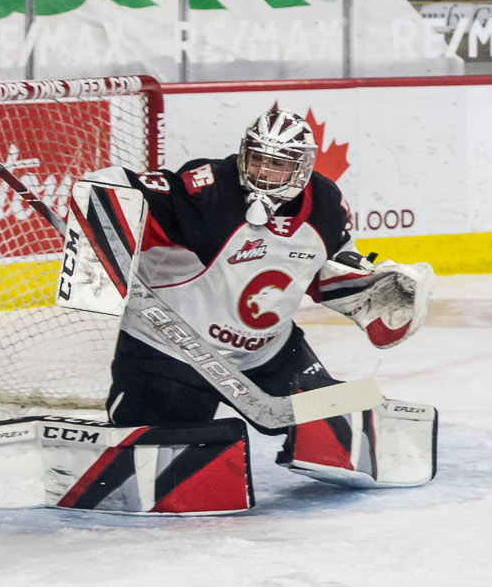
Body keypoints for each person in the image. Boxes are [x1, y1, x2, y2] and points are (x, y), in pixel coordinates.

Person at [96, 104, 428, 437]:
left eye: (278, 164)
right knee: (167, 447)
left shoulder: (325, 204)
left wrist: (368, 289)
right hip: (170, 352)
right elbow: (128, 194)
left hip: (269, 354)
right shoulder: (210, 192)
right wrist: (100, 197)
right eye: (257, 159)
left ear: (302, 169)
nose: (264, 173)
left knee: (336, 431)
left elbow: (325, 268)